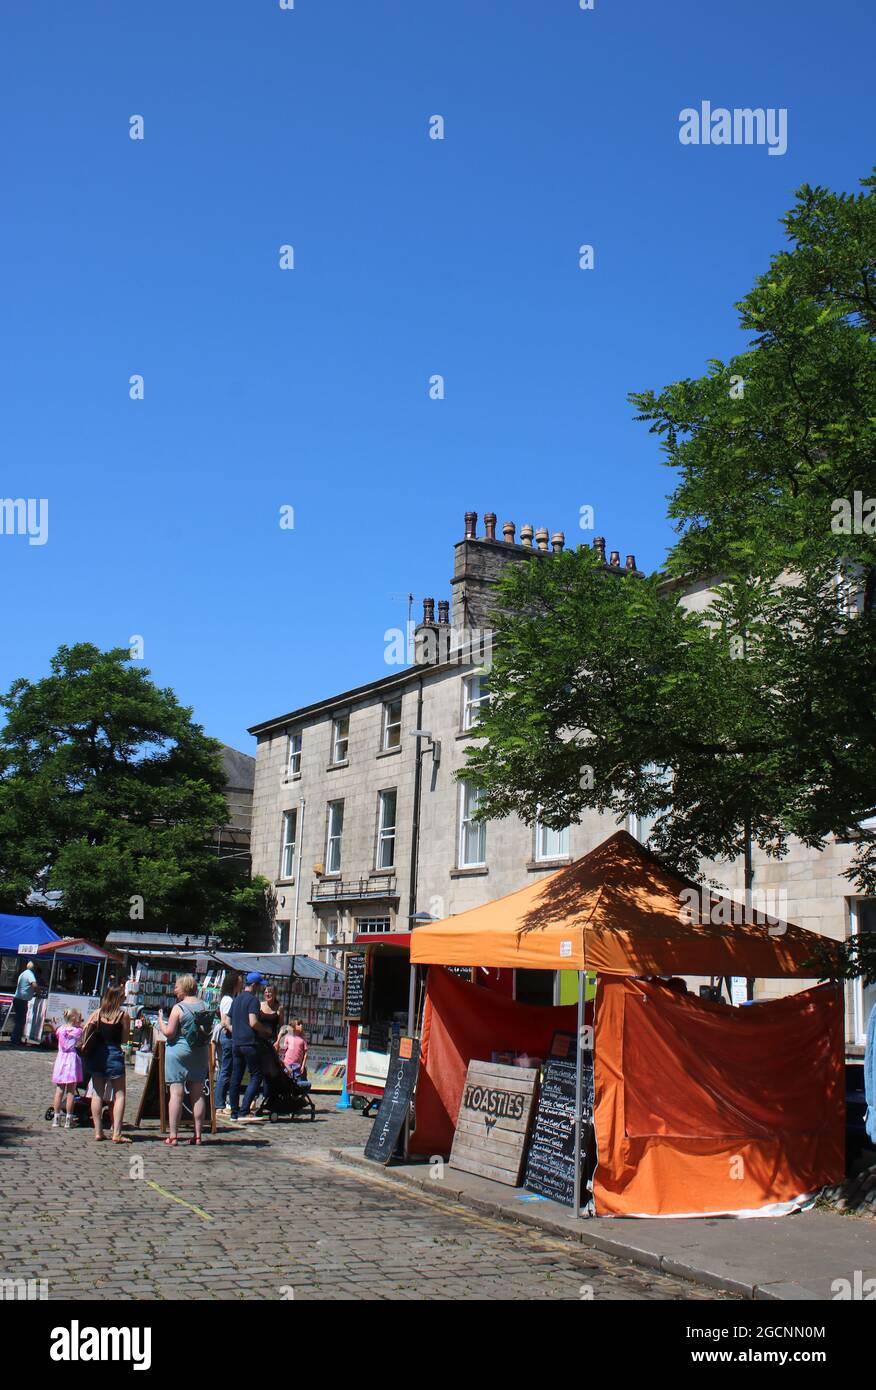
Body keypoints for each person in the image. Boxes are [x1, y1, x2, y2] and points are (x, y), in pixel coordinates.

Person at [158, 974, 212, 1146]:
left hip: (178, 1052)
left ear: (184, 988)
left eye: (176, 987)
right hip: (199, 1053)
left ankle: (173, 1136)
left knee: (176, 1094)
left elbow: (169, 1032)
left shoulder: (178, 1008)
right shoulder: (206, 1005)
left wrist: (160, 1020)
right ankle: (198, 1136)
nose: (175, 990)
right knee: (198, 1095)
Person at [87, 985, 131, 1143]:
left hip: (97, 1055)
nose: (125, 998)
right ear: (118, 998)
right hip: (113, 1054)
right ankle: (117, 1133)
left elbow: (87, 1031)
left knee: (97, 1093)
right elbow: (125, 1039)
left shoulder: (97, 1013)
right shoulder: (123, 1015)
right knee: (120, 1095)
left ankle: (98, 1131)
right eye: (123, 996)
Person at [228, 973, 272, 1122]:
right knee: (256, 1075)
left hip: (236, 1042)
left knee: (236, 1076)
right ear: (254, 985)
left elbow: (227, 1021)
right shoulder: (253, 1000)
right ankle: (244, 1110)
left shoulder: (236, 999)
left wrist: (237, 1032)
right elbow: (253, 1022)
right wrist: (266, 1030)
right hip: (249, 1043)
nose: (260, 988)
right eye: (260, 985)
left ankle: (234, 1112)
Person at [213, 971, 241, 1116]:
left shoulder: (227, 998)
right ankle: (219, 1103)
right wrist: (237, 1031)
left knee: (226, 1070)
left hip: (228, 1037)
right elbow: (225, 1021)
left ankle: (220, 1102)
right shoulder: (229, 1000)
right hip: (228, 1037)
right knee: (226, 1070)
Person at [51, 1007, 84, 1129]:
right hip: (71, 1061)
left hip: (61, 1060)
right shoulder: (78, 1031)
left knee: (59, 1090)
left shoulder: (60, 1030)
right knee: (71, 1091)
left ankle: (56, 1118)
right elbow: (80, 1041)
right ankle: (69, 1119)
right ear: (75, 1019)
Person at [259, 983, 284, 1097]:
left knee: (270, 1071)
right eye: (266, 992)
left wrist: (278, 1041)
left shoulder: (279, 1008)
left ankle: (268, 1096)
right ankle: (254, 1098)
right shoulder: (260, 1005)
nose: (268, 994)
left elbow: (282, 1027)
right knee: (258, 1071)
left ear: (274, 994)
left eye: (270, 992)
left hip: (272, 1042)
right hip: (259, 1041)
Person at [10, 960, 38, 1046]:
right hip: (21, 1000)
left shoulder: (23, 973)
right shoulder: (30, 974)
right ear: (33, 968)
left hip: (18, 998)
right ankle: (16, 1039)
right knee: (21, 1020)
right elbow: (34, 984)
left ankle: (15, 1038)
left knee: (18, 1020)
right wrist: (39, 991)